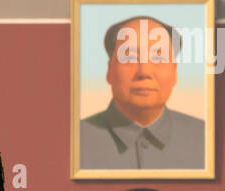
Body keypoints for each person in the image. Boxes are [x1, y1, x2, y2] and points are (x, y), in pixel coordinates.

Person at [77, 15, 206, 170]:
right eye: (130, 57)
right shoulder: (75, 140)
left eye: (159, 58)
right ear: (110, 70)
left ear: (174, 72)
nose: (145, 72)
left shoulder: (205, 139)